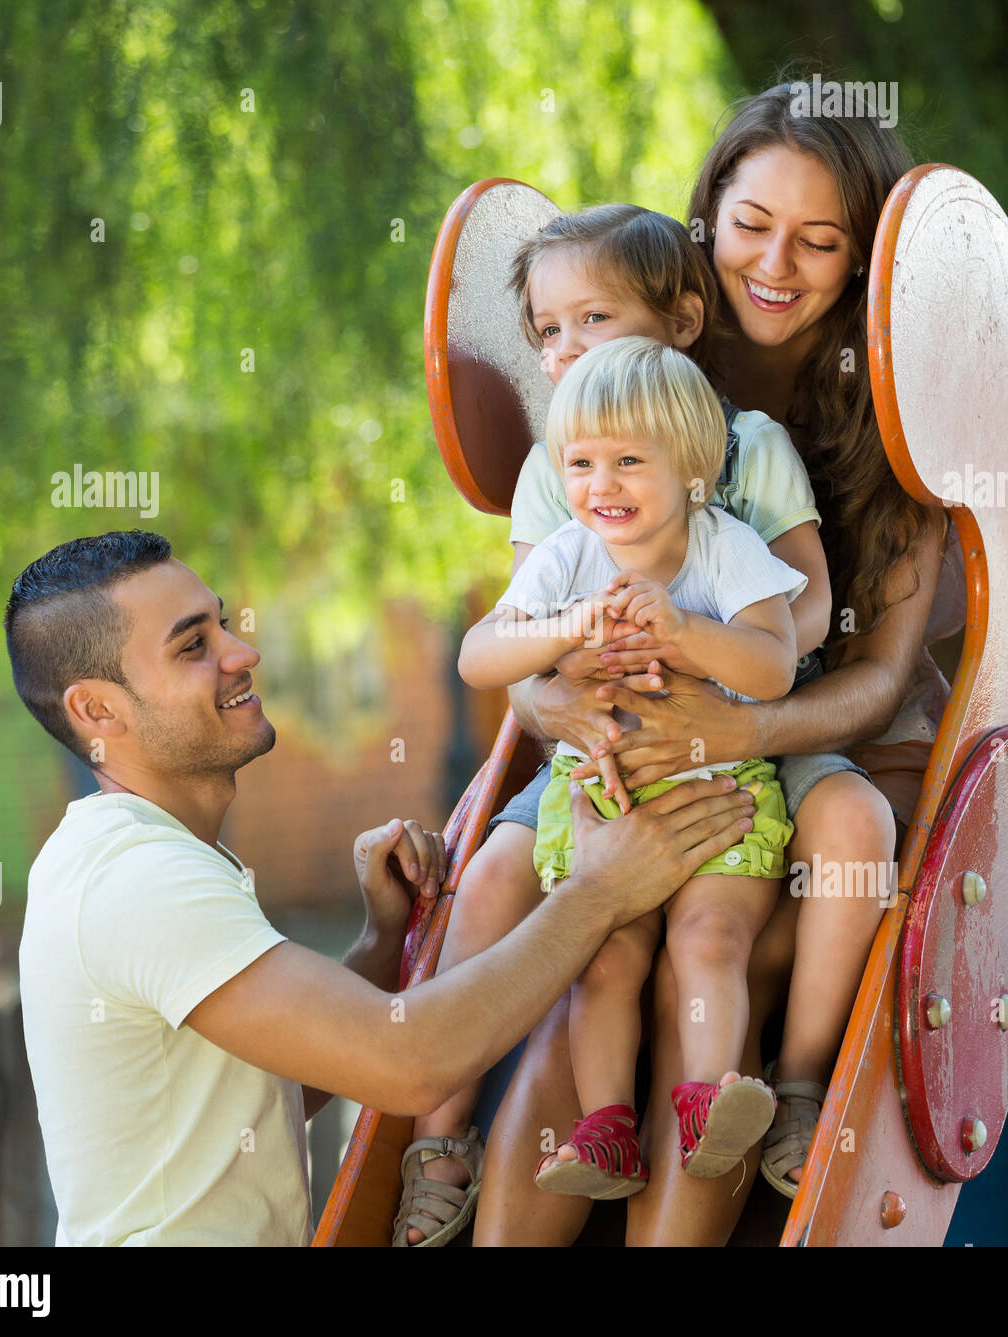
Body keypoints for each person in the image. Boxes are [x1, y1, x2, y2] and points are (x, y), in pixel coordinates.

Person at [474, 83, 963, 1246]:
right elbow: (533, 612)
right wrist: (550, 696)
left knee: (736, 927)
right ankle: (465, 1158)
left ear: (862, 259)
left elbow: (873, 675)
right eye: (750, 226)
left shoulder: (883, 423)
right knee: (579, 918)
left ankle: (774, 1105)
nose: (777, 263)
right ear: (704, 230)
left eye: (820, 238)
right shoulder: (630, 381)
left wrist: (735, 731)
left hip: (817, 734)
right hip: (645, 733)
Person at [6, 530, 757, 1245]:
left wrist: (382, 941)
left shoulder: (137, 856)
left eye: (223, 624)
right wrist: (598, 893)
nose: (244, 652)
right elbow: (409, 1066)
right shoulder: (135, 878)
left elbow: (273, 1093)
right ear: (97, 710)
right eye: (193, 645)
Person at [395, 203, 875, 1246]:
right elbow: (516, 643)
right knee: (498, 890)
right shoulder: (560, 478)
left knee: (698, 933)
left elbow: (793, 620)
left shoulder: (740, 458)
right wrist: (568, 673)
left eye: (593, 319)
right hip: (594, 744)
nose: (568, 349)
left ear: (683, 319)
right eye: (548, 331)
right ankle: (437, 1134)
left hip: (732, 727)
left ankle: (779, 1088)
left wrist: (701, 667)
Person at [459, 335, 805, 1201]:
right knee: (604, 959)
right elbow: (480, 655)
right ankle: (608, 1127)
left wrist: (686, 631)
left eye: (627, 461)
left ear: (690, 467)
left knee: (709, 940)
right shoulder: (569, 555)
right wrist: (570, 628)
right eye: (579, 462)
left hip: (713, 793)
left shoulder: (722, 547)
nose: (600, 485)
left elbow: (776, 664)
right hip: (604, 802)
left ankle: (710, 1101)